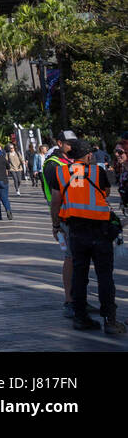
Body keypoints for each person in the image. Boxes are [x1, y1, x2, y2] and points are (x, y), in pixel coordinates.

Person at [49, 139, 124, 334]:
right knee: (105, 275)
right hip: (100, 230)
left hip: (76, 230)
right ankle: (110, 320)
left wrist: (56, 225)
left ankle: (80, 317)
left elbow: (56, 201)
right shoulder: (97, 172)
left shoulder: (60, 172)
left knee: (80, 275)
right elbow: (105, 193)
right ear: (89, 155)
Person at [43, 134, 76, 317]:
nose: (72, 146)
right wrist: (56, 224)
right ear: (60, 143)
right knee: (70, 258)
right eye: (69, 143)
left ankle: (78, 299)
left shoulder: (72, 161)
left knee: (78, 259)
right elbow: (55, 197)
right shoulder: (53, 164)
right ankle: (69, 300)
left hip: (78, 216)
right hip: (64, 217)